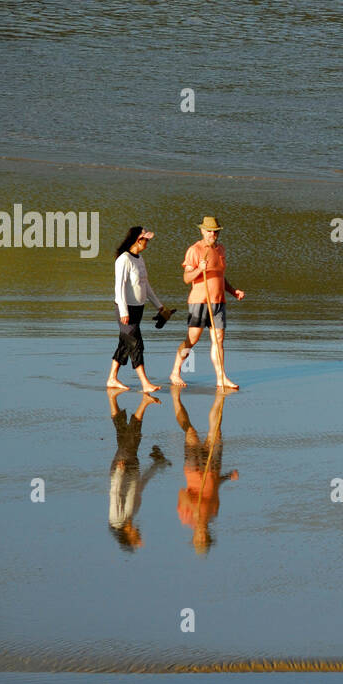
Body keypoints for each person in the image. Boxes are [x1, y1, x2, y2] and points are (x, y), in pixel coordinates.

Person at [169, 216, 245, 389]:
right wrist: (198, 269)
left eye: (215, 231)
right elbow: (186, 278)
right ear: (202, 231)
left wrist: (234, 292)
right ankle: (175, 371)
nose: (213, 234)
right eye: (209, 231)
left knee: (218, 340)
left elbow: (220, 277)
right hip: (199, 302)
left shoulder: (221, 250)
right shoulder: (195, 250)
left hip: (219, 301)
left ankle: (221, 378)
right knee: (192, 340)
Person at [172, 388, 238, 555]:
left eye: (200, 539)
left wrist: (191, 506)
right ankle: (219, 396)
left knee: (190, 432)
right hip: (214, 466)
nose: (202, 536)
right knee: (216, 432)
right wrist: (228, 476)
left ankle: (176, 399)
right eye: (204, 539)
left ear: (195, 536)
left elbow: (181, 494)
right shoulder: (213, 512)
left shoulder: (186, 519)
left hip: (192, 468)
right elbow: (214, 488)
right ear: (207, 536)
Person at [107, 389, 170, 551]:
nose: (140, 538)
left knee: (134, 436)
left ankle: (144, 402)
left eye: (136, 540)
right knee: (123, 433)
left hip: (122, 469)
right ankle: (112, 398)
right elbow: (139, 487)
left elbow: (115, 494)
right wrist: (156, 466)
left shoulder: (117, 519)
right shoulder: (131, 516)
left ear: (128, 538)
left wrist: (120, 473)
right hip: (132, 468)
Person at [108, 226, 167, 392]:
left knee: (125, 344)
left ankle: (112, 378)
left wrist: (159, 306)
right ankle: (145, 383)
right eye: (146, 239)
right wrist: (124, 311)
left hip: (138, 309)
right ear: (137, 239)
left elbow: (145, 285)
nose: (148, 242)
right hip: (125, 310)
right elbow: (119, 288)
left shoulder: (139, 259)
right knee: (136, 344)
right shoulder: (123, 259)